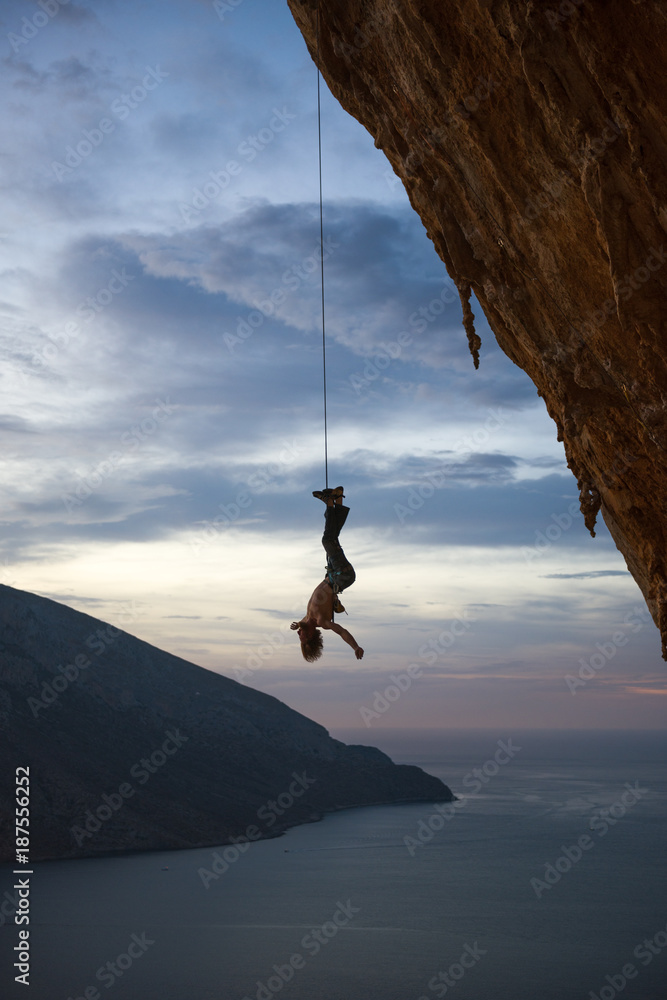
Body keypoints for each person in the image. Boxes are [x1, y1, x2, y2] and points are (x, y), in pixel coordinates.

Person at [291, 487, 364, 662]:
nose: (299, 632)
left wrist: (297, 625)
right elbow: (341, 631)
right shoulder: (321, 621)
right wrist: (355, 646)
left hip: (334, 573)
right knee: (328, 540)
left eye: (298, 634)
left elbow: (300, 624)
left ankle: (337, 500)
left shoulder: (307, 617)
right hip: (342, 576)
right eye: (301, 635)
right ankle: (330, 503)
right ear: (310, 634)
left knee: (332, 538)